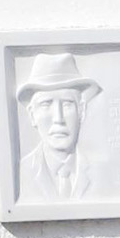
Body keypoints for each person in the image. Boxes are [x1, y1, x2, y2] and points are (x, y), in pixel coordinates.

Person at [16, 53, 102, 202]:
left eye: (67, 104)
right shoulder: (20, 173)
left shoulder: (101, 170)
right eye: (46, 104)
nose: (58, 119)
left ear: (81, 111)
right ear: (32, 114)